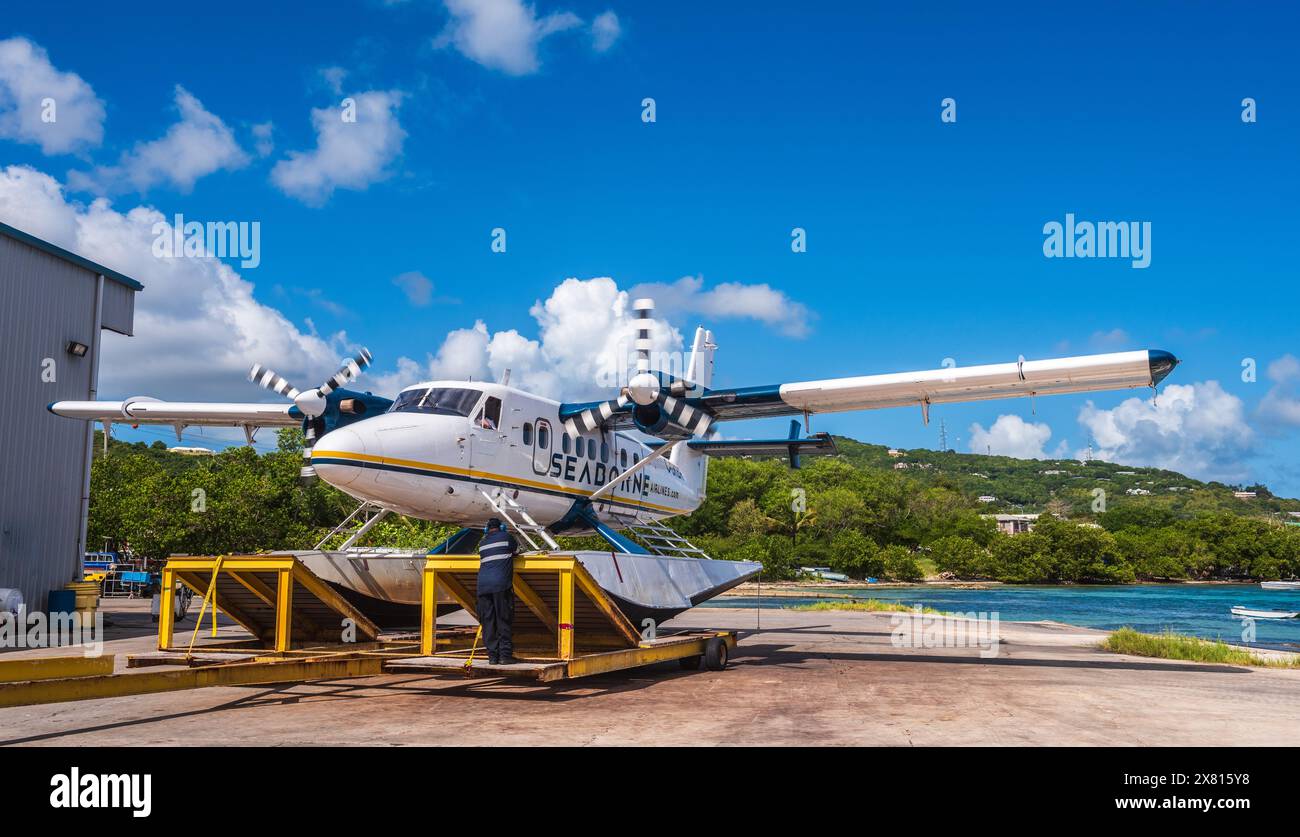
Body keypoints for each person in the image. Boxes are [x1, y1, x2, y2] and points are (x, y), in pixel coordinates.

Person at [476, 518, 520, 665]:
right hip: (501, 586)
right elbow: (517, 551)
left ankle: (492, 657)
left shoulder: (482, 543)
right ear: (502, 527)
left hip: (482, 587)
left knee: (488, 622)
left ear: (486, 530)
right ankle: (505, 656)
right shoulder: (507, 538)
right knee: (503, 619)